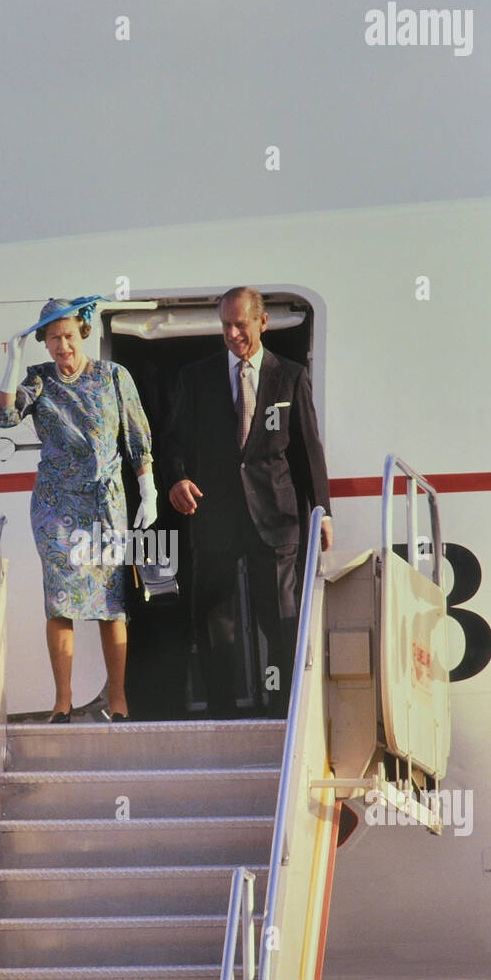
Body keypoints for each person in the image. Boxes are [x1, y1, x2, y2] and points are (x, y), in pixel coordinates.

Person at [164, 286, 333, 718]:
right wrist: (177, 478)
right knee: (215, 619)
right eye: (226, 325)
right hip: (215, 514)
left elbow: (308, 451)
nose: (233, 333)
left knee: (277, 617)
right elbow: (173, 442)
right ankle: (221, 709)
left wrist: (323, 511)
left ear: (262, 322)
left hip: (276, 515)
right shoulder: (196, 377)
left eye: (241, 324)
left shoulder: (290, 376)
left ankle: (282, 706)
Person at [0, 296, 156, 723]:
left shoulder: (112, 376)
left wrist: (148, 487)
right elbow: (4, 418)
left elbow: (136, 435)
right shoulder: (39, 380)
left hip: (105, 504)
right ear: (43, 343)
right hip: (55, 505)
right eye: (52, 338)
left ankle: (117, 699)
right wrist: (12, 362)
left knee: (110, 602)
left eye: (67, 335)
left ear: (82, 332)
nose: (62, 345)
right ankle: (62, 702)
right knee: (60, 602)